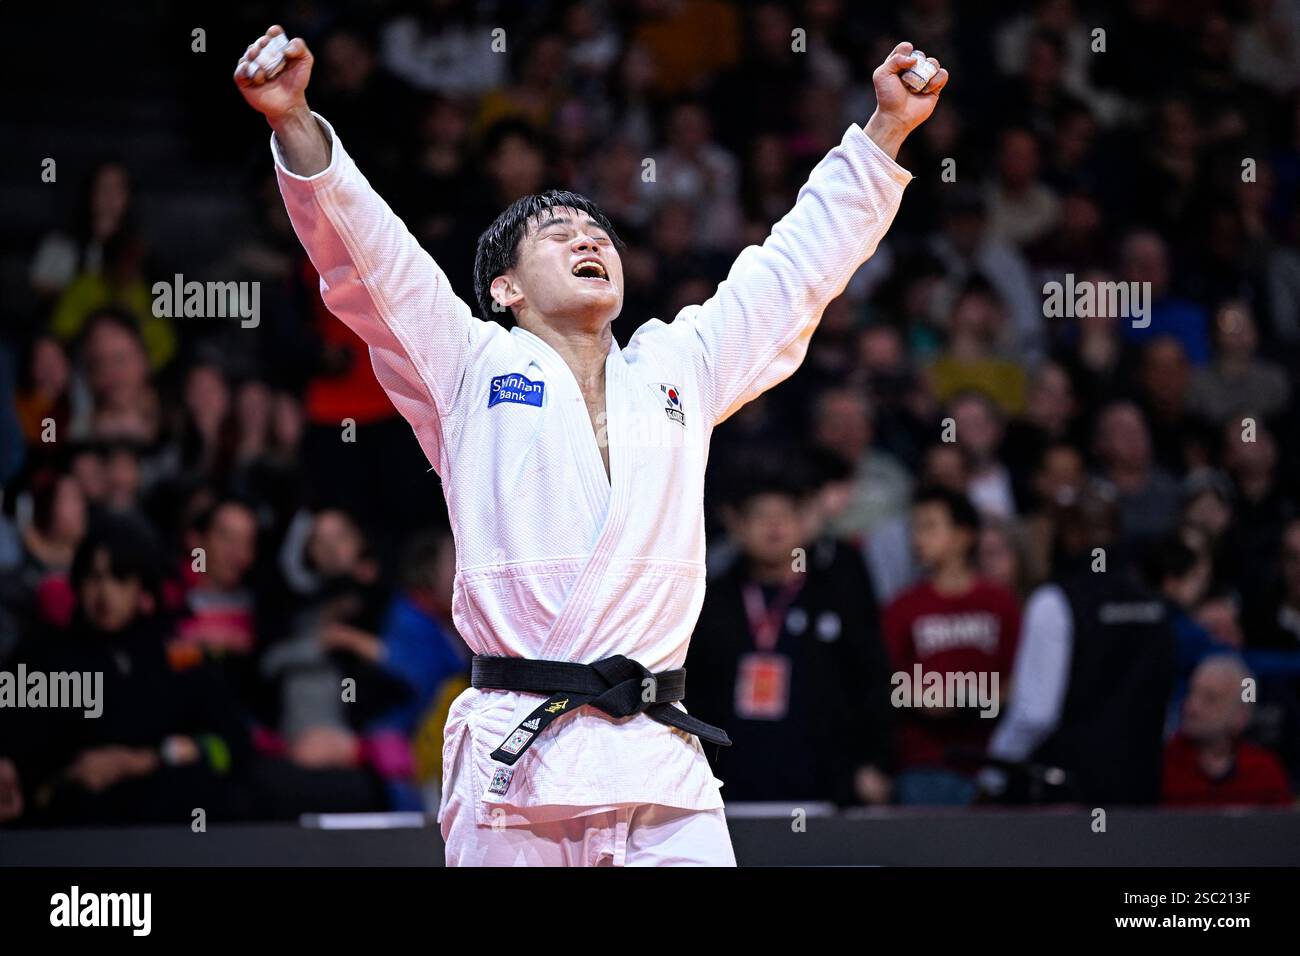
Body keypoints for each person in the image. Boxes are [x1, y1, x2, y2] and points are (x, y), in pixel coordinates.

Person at [234, 25, 947, 866]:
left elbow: (793, 270)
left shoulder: (678, 364)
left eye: (598, 232)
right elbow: (370, 264)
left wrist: (886, 133)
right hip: (518, 763)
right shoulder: (466, 365)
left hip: (658, 762)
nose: (588, 239)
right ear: (504, 288)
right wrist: (295, 123)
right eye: (558, 232)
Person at [882, 487, 1021, 805]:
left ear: (963, 536)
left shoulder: (999, 603)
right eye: (915, 528)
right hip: (923, 762)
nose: (918, 538)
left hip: (991, 761)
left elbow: (1020, 679)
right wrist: (919, 699)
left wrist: (968, 700)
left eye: (930, 526)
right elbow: (884, 681)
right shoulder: (902, 607)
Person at [1162, 656, 1292, 807]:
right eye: (1192, 693)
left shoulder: (1263, 772)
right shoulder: (1162, 765)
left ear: (1240, 716)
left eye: (1210, 699)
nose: (1191, 707)